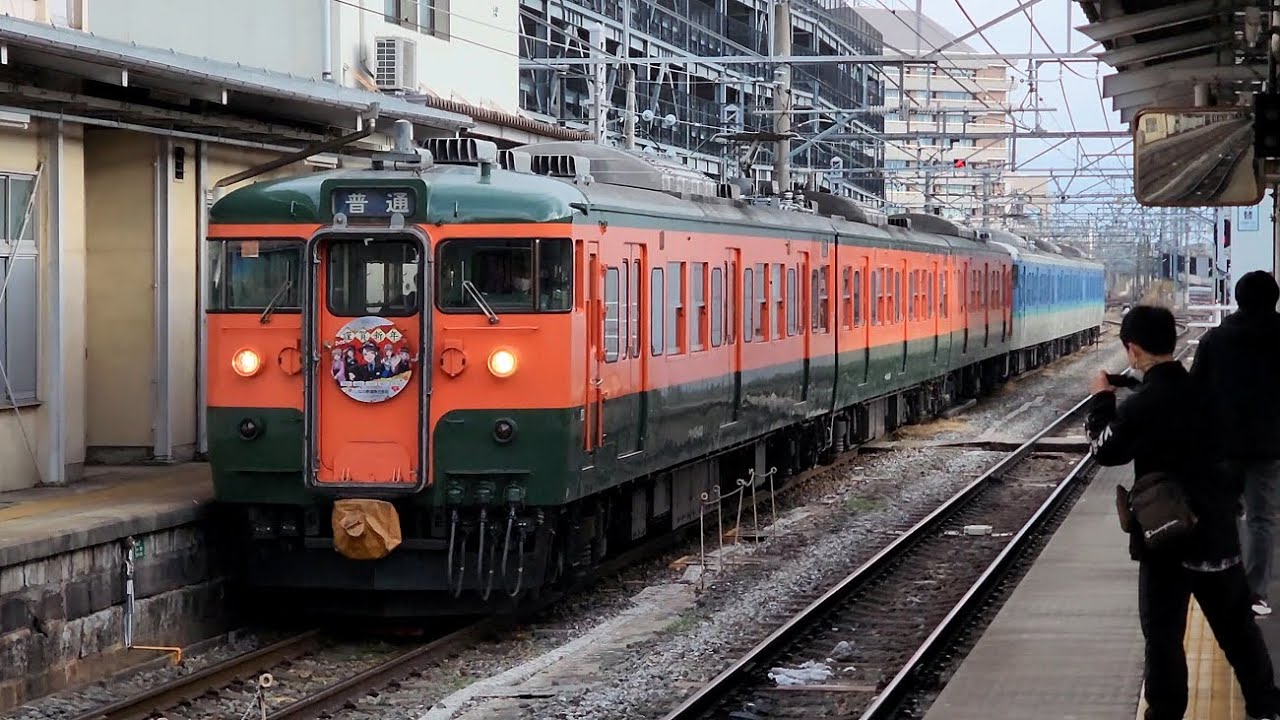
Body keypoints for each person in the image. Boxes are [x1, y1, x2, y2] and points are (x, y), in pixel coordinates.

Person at [1085, 304, 1280, 720]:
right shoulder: (1205, 393)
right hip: (1217, 534)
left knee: (1164, 637)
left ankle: (1167, 712)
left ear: (1132, 350)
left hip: (1166, 541)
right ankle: (1265, 707)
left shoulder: (1143, 405)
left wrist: (1102, 400)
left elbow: (1104, 450)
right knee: (1238, 631)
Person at [1190, 270, 1280, 616]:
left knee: (1225, 514)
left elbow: (1196, 391)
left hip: (1224, 445)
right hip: (1270, 445)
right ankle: (1256, 592)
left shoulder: (1216, 339)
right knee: (1262, 518)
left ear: (1238, 298)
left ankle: (1226, 587)